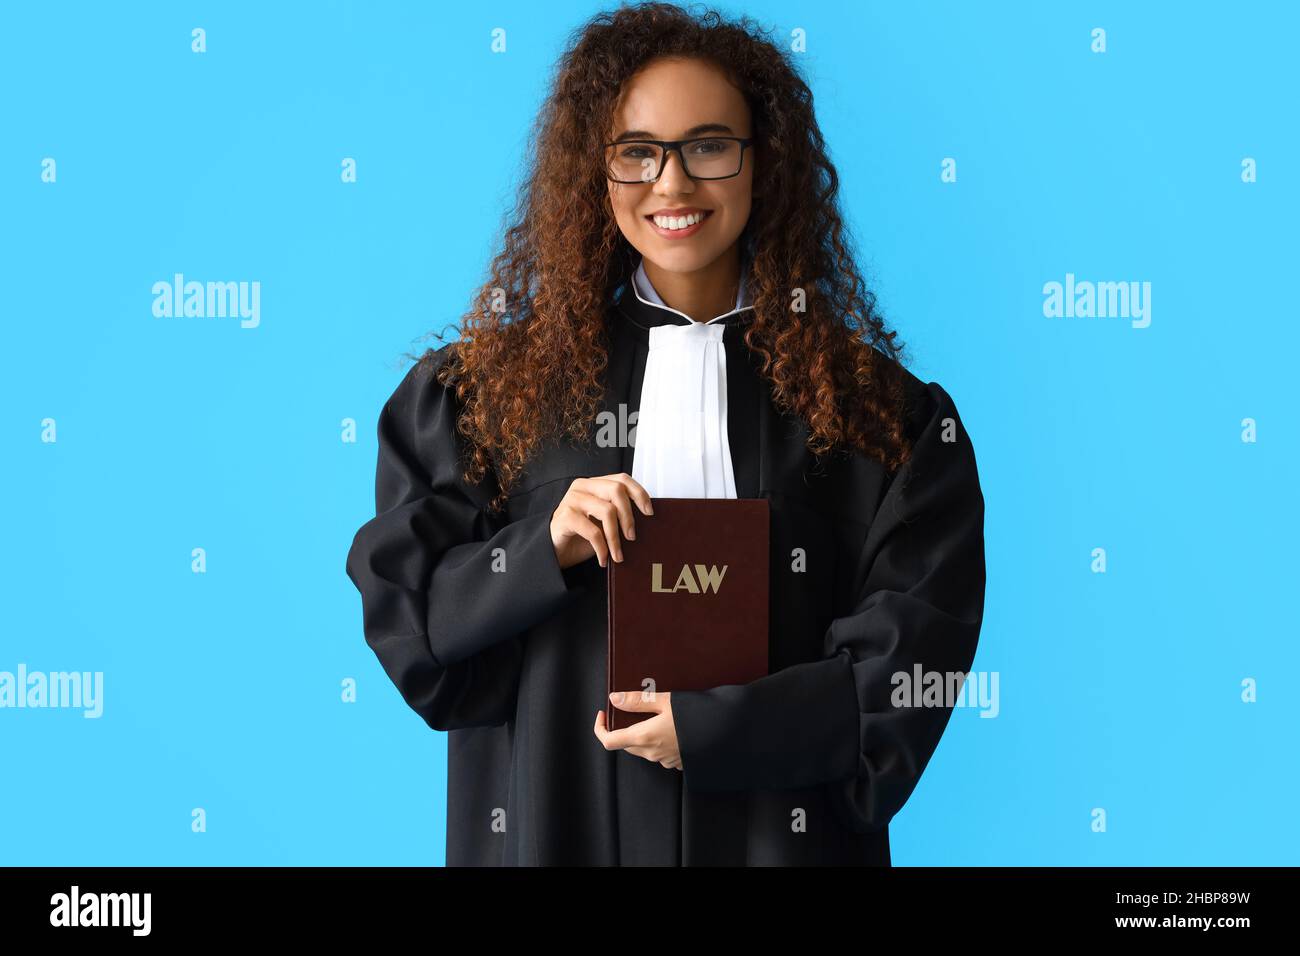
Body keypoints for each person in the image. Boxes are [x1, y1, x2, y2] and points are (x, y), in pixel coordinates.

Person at [345, 1, 985, 866]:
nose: (672, 185)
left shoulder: (880, 416)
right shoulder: (482, 397)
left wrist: (725, 728)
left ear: (767, 165)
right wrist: (543, 551)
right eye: (637, 153)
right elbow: (417, 633)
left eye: (709, 146)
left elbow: (911, 670)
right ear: (594, 175)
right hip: (553, 827)